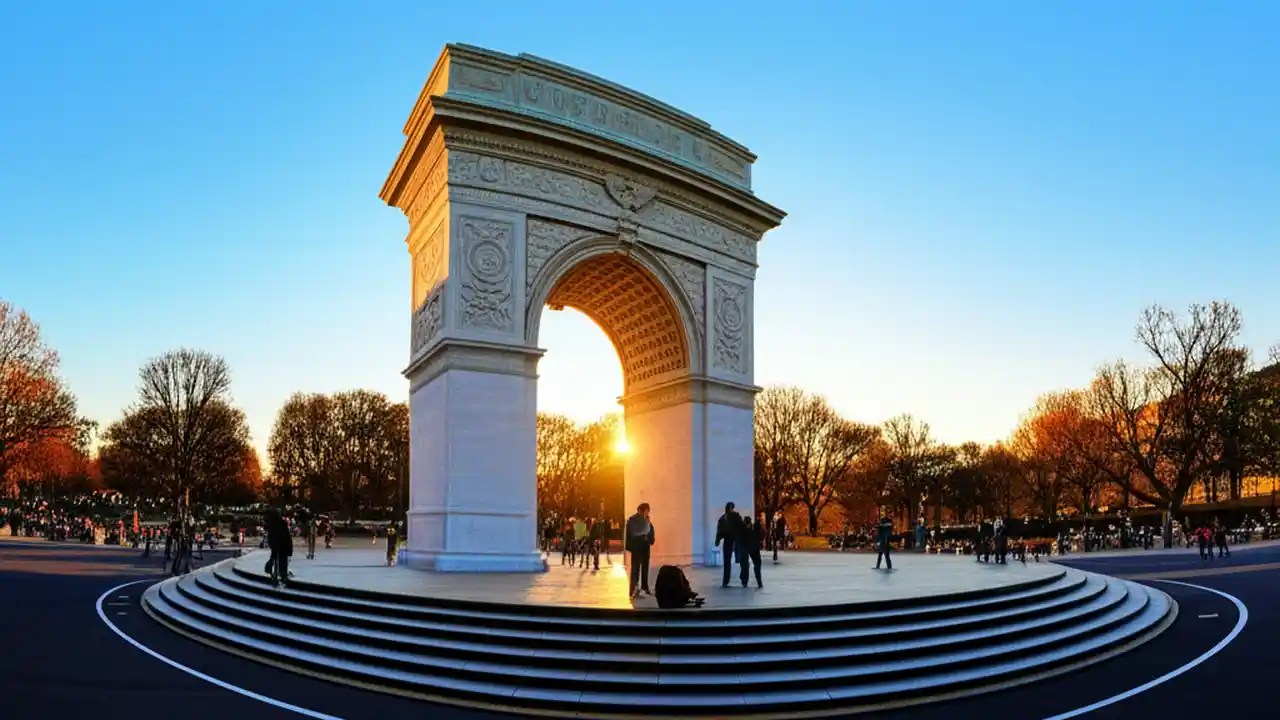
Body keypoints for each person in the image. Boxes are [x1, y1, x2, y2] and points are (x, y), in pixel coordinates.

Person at [625, 503, 655, 598]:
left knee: (645, 567)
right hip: (636, 548)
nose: (646, 513)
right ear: (640, 510)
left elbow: (651, 531)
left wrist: (650, 539)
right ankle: (633, 589)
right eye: (645, 511)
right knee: (635, 568)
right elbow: (630, 534)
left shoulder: (646, 520)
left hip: (645, 547)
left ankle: (644, 586)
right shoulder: (633, 520)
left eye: (647, 511)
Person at [715, 501, 742, 588]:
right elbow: (720, 530)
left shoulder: (724, 518)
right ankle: (727, 580)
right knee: (732, 561)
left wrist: (718, 540)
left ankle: (726, 580)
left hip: (731, 540)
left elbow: (720, 530)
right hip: (732, 540)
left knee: (730, 561)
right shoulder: (729, 517)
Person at [737, 516, 763, 588]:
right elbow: (760, 536)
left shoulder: (742, 530)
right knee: (755, 564)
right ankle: (758, 581)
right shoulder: (753, 529)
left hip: (747, 547)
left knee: (745, 564)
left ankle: (745, 580)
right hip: (753, 548)